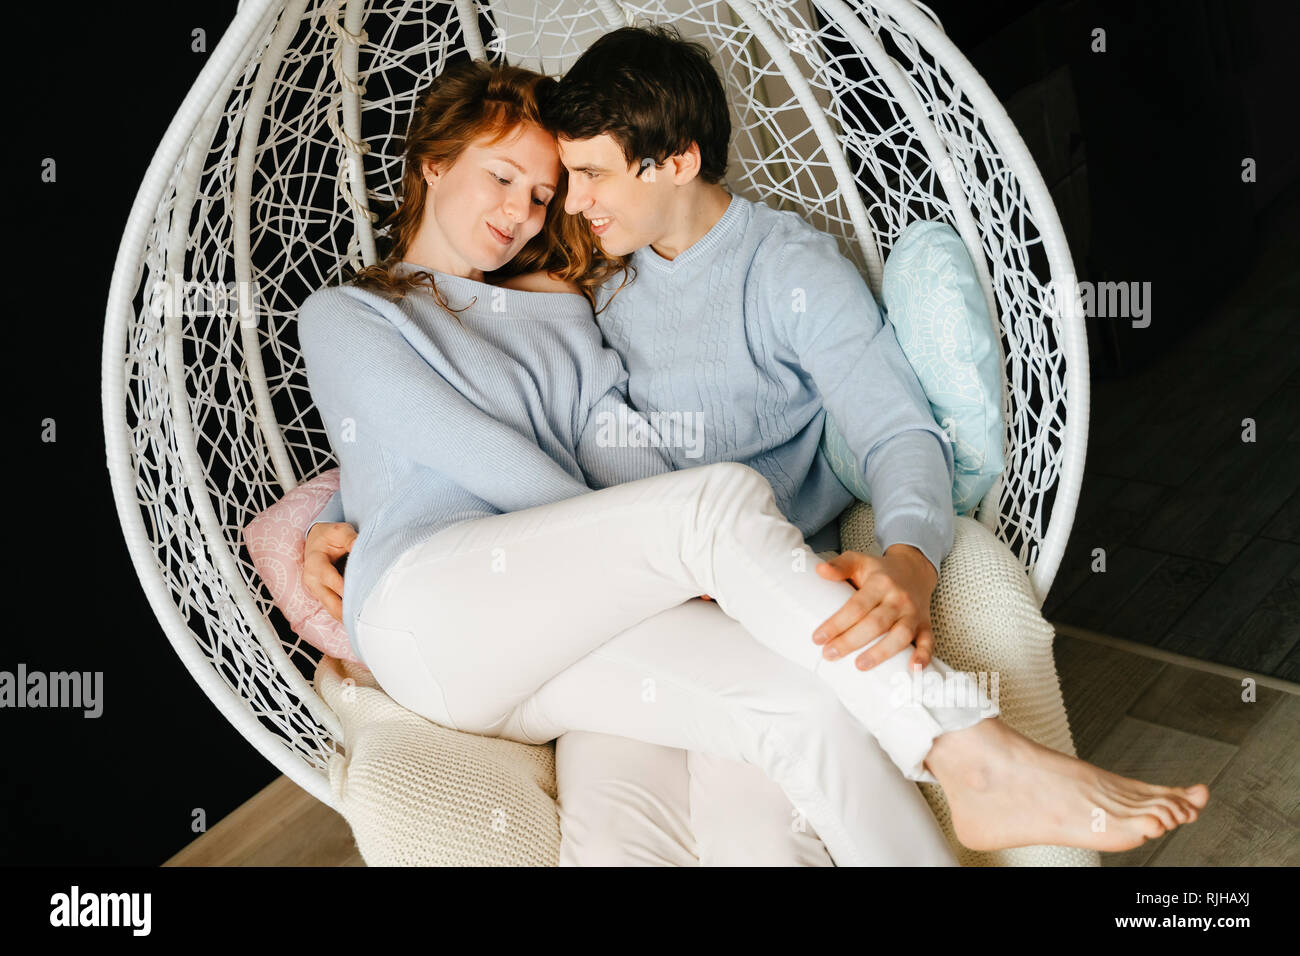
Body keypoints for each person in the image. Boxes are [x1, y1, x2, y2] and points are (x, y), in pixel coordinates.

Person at [299, 48, 1208, 867]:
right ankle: (968, 747)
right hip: (435, 609)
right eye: (510, 179)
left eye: (549, 189)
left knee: (800, 717)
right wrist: (323, 525)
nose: (534, 209)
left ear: (675, 162)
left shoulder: (574, 308)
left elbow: (616, 450)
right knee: (712, 502)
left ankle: (971, 802)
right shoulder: (349, 316)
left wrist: (853, 560)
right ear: (432, 163)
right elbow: (463, 449)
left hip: (569, 630)